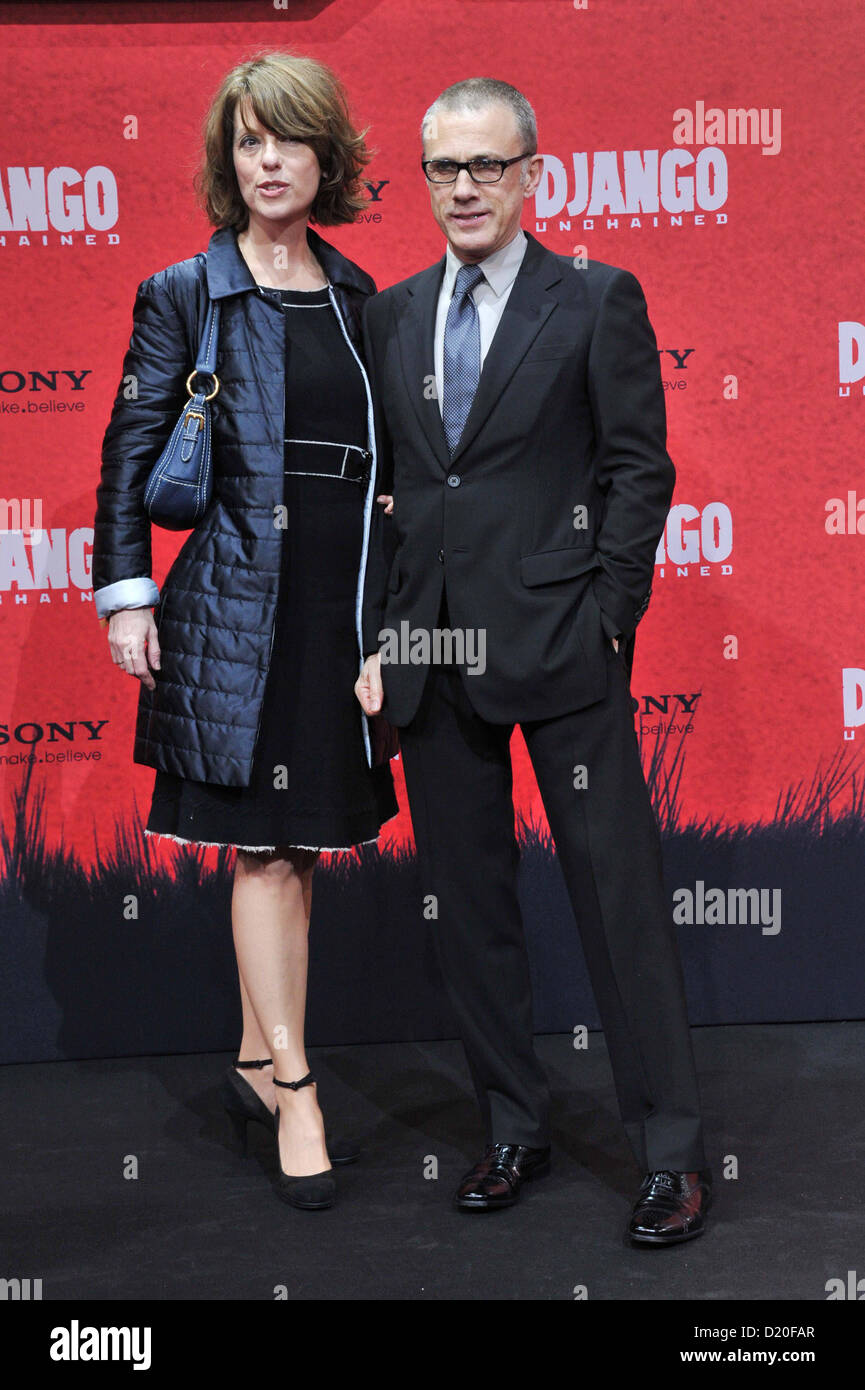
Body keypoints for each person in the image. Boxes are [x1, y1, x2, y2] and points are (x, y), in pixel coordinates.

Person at [355, 78, 712, 1244]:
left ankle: (668, 1154)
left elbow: (637, 471)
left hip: (564, 643)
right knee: (470, 912)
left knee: (617, 907)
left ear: (530, 175)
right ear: (424, 181)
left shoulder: (596, 298)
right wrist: (382, 639)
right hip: (431, 647)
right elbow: (395, 494)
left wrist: (609, 618)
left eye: (486, 167)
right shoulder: (393, 312)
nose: (464, 188)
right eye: (443, 169)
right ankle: (512, 1126)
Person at [93, 51, 398, 1211]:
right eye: (248, 141)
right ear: (231, 161)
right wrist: (126, 593)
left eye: (288, 140)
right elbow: (130, 453)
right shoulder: (186, 290)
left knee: (301, 843)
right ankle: (301, 1087)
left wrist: (389, 627)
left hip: (337, 608)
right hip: (233, 602)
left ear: (328, 156)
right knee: (262, 850)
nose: (267, 161)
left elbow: (392, 481)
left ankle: (249, 1054)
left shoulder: (365, 296)